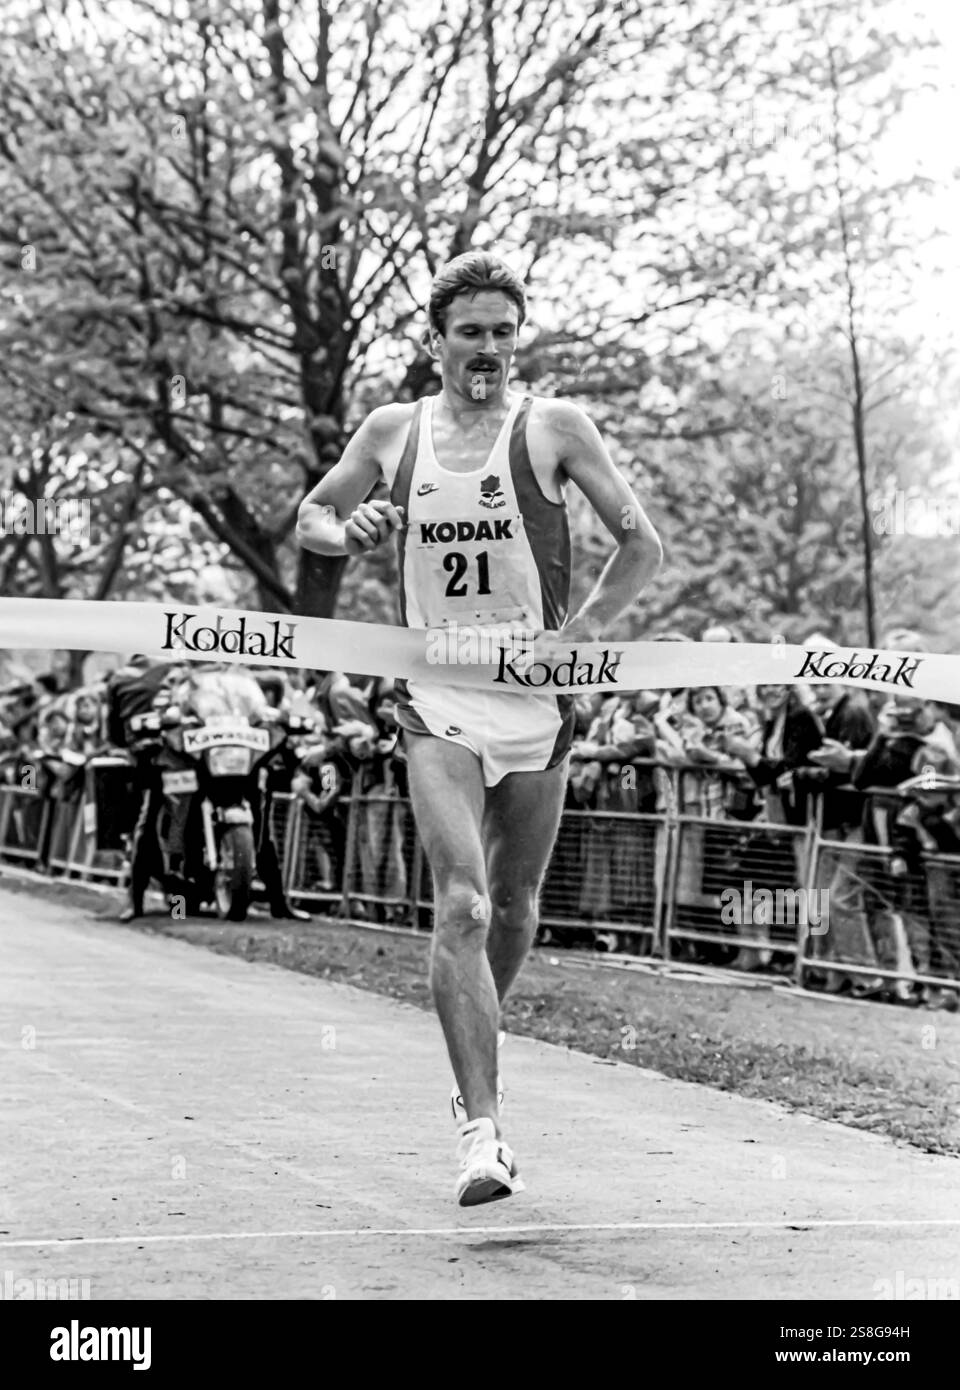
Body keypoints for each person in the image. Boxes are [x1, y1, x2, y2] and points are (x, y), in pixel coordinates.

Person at [297, 249, 663, 1204]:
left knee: (514, 900)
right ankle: (483, 1131)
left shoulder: (554, 429)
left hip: (536, 704)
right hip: (438, 700)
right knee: (462, 905)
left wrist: (577, 635)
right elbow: (310, 521)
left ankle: (472, 1051)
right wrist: (351, 532)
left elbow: (641, 545)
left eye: (505, 331)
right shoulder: (392, 430)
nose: (490, 349)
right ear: (437, 343)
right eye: (471, 333)